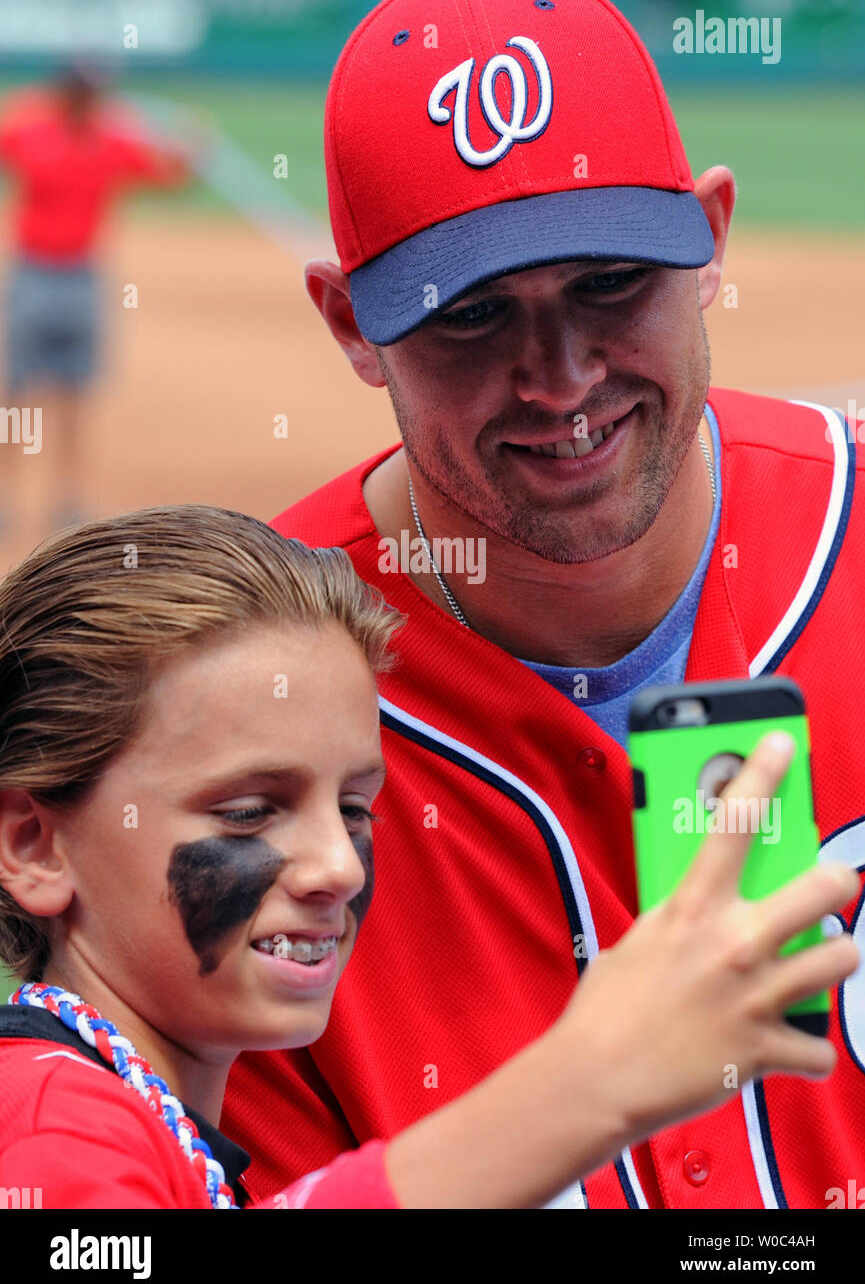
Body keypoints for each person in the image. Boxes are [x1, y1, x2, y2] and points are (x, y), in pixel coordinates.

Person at [222, 0, 865, 1209]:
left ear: (712, 233)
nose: (560, 379)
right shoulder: (233, 713)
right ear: (352, 323)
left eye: (609, 283)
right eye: (471, 315)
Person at [0, 505, 856, 1208]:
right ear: (32, 845)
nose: (337, 865)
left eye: (352, 806)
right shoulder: (49, 1124)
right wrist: (587, 1081)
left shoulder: (136, 1121)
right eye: (250, 811)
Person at [0, 63, 193, 536]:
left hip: (78, 276)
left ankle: (67, 501)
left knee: (72, 394)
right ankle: (7, 499)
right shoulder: (43, 133)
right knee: (19, 394)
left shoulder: (107, 139)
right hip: (36, 274)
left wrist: (187, 141)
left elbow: (173, 176)